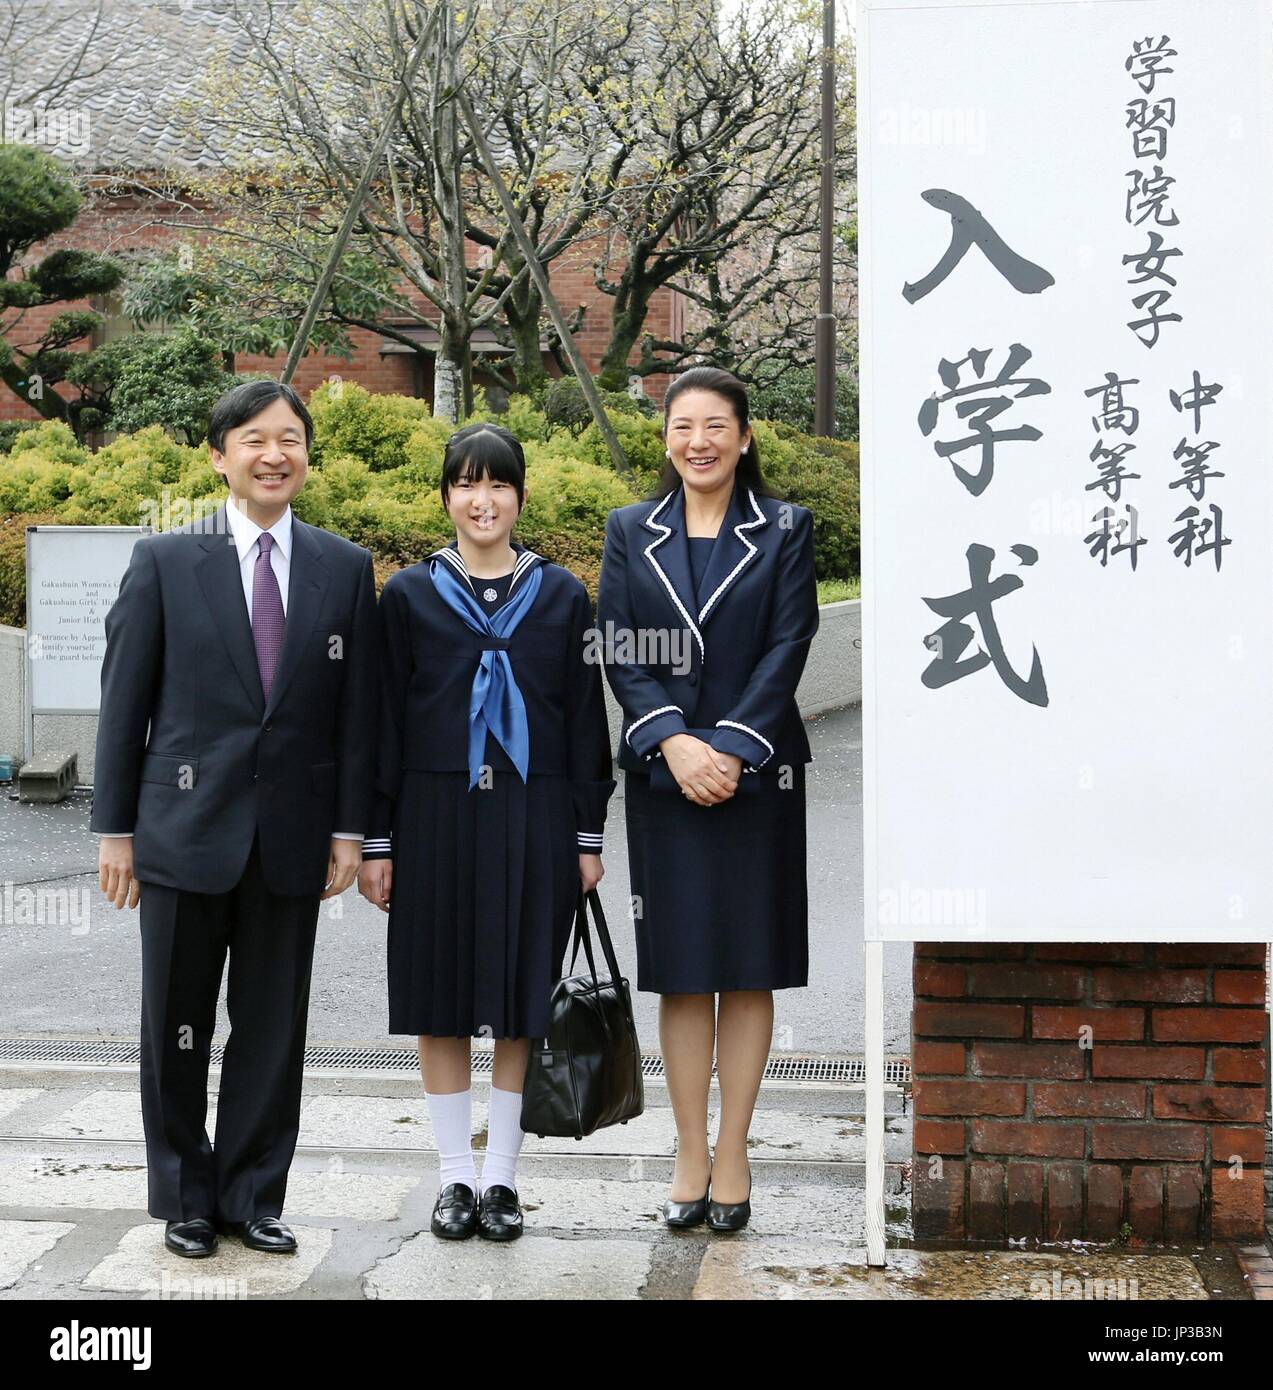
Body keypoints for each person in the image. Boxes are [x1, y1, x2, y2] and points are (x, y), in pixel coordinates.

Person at [92, 380, 378, 1258]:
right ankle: (184, 1195)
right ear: (220, 456)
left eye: (289, 438)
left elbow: (356, 713)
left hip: (292, 840)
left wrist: (348, 828)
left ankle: (254, 1193)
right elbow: (123, 704)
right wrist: (114, 832)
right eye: (253, 439)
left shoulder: (343, 567)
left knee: (270, 1023)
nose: (273, 454)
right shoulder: (167, 561)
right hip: (180, 833)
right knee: (173, 1020)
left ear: (305, 454)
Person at [358, 422, 615, 1242]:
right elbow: (383, 723)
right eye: (467, 484)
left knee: (518, 1000)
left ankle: (501, 1178)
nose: (483, 499)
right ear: (446, 496)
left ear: (520, 497)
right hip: (431, 814)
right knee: (439, 998)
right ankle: (452, 1179)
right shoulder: (407, 594)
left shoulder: (564, 595)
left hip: (532, 812)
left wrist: (586, 835)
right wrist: (376, 840)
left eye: (499, 484)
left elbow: (582, 722)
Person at [597, 365, 818, 1232]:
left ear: (744, 436)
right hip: (665, 776)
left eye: (716, 426)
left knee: (747, 964)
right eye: (683, 426)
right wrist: (675, 740)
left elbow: (789, 640)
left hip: (757, 775)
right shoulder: (629, 529)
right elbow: (619, 642)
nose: (699, 441)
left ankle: (735, 1148)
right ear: (666, 439)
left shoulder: (785, 529)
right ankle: (690, 1147)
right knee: (684, 972)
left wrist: (728, 747)